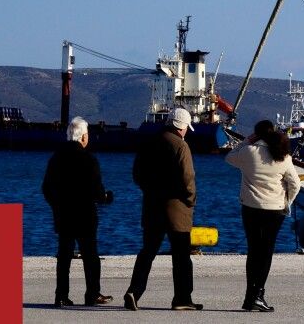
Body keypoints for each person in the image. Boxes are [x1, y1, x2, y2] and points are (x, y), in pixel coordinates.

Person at [124, 108, 200, 311]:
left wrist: (150, 191)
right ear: (181, 127)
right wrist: (190, 199)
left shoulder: (148, 143)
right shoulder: (181, 146)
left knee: (148, 252)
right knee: (182, 256)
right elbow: (188, 178)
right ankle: (182, 299)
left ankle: (134, 291)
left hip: (152, 207)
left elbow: (137, 174)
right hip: (177, 210)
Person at [225, 120, 302, 312]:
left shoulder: (248, 152)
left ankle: (250, 296)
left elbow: (229, 157)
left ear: (256, 134)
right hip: (275, 210)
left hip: (250, 208)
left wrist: (245, 142)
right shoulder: (283, 156)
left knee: (253, 251)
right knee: (266, 253)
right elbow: (296, 184)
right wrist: (287, 202)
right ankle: (257, 295)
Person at [42, 116, 114, 308]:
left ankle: (61, 296)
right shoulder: (89, 160)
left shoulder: (55, 158)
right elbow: (98, 192)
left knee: (64, 256)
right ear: (83, 137)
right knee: (90, 256)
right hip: (85, 216)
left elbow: (46, 188)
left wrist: (56, 206)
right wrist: (106, 197)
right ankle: (92, 294)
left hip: (63, 215)